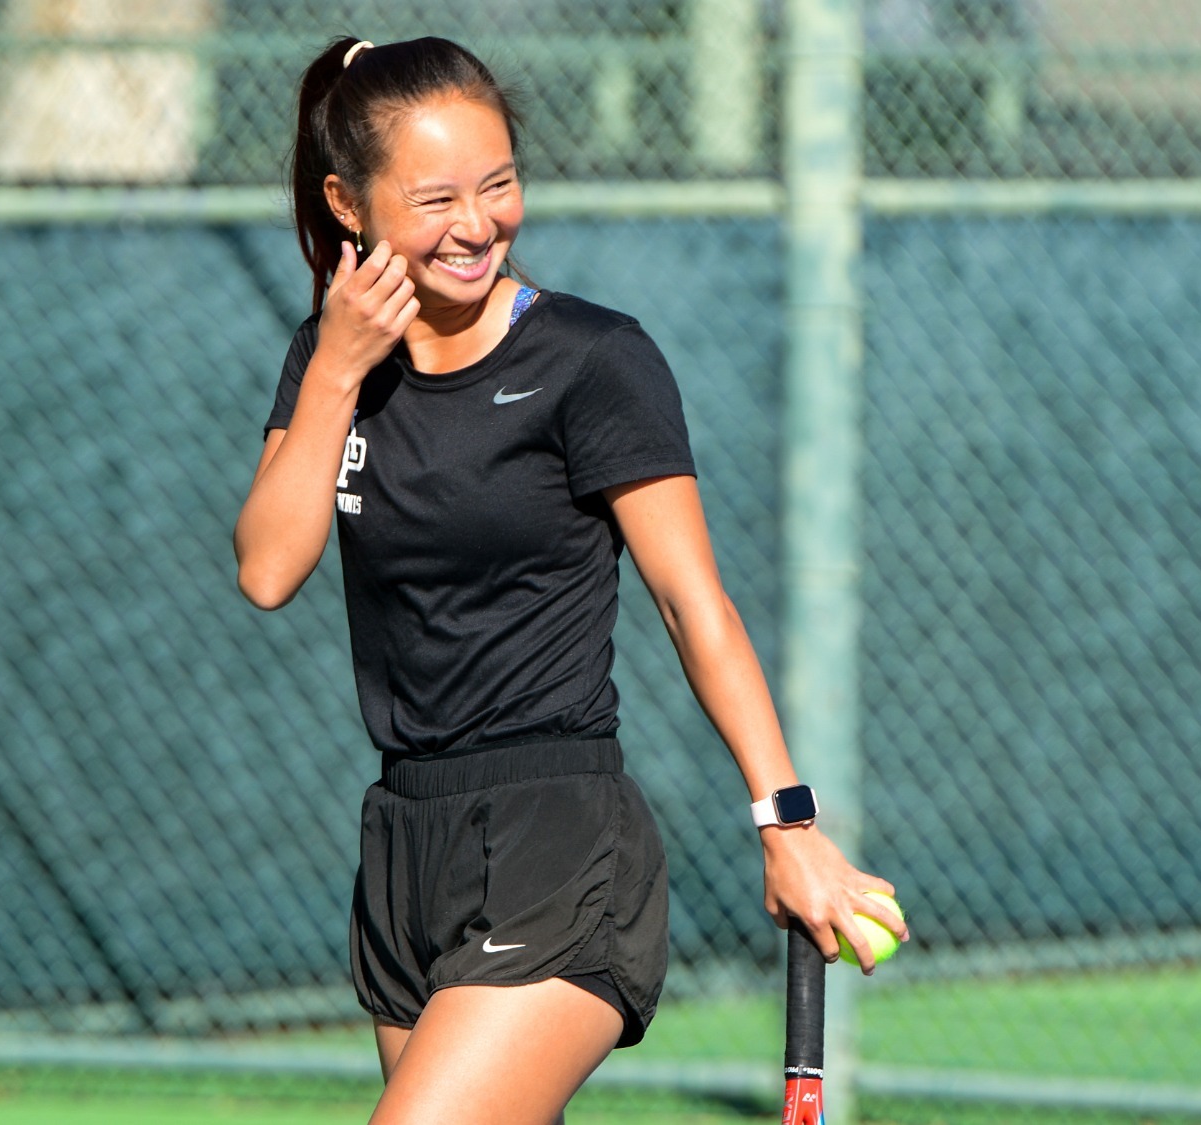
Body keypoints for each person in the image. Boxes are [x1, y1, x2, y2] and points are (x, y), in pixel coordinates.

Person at [232, 36, 908, 1125]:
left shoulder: (593, 362)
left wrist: (785, 822)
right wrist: (335, 370)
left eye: (498, 185)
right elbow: (267, 568)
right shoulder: (331, 361)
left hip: (559, 841)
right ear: (345, 205)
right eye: (436, 196)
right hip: (405, 845)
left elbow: (696, 603)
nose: (476, 223)